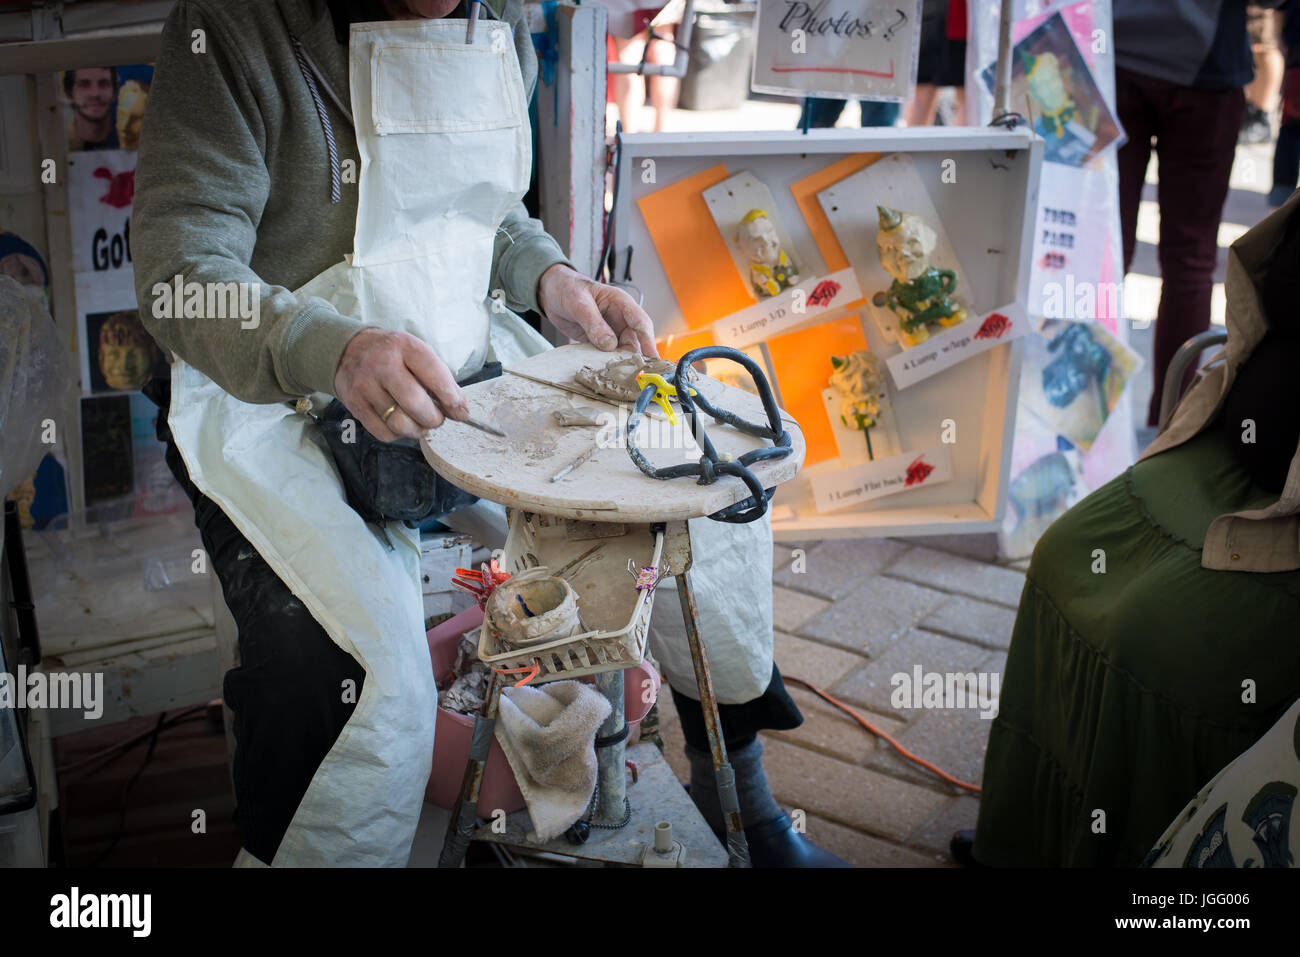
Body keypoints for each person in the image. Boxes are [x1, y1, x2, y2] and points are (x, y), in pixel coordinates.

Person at [133, 0, 841, 867]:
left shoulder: (501, 15)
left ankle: (749, 800)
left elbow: (486, 210)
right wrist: (326, 344)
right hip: (272, 391)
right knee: (352, 675)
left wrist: (549, 276)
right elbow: (179, 274)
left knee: (701, 500)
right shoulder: (232, 28)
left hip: (463, 359)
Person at [964, 191, 1300, 868]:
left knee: (1148, 633)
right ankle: (1027, 835)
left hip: (1286, 515)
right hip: (1226, 453)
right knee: (1064, 552)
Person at [1114, 0, 1281, 429]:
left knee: (1103, 251)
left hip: (1111, 52)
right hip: (1202, 64)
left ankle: (1085, 426)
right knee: (1188, 260)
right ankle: (1168, 427)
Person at [63, 67, 120, 151]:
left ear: (114, 93)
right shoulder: (56, 146)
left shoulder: (133, 140)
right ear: (69, 94)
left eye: (103, 84)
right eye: (84, 85)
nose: (95, 94)